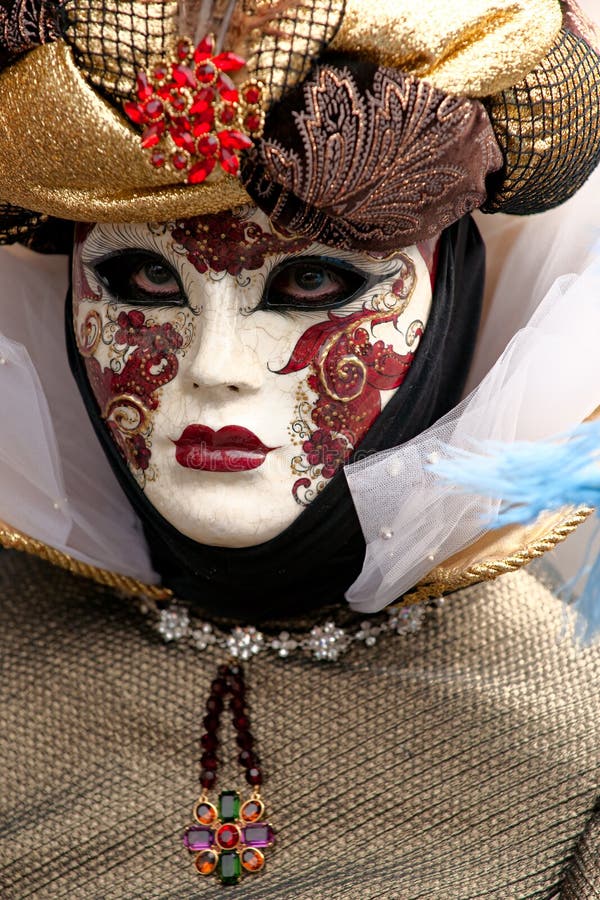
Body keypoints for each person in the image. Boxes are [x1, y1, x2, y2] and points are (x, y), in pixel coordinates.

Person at [0, 1, 599, 896]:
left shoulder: (572, 749)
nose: (215, 368)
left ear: (457, 296)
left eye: (313, 281)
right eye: (147, 278)